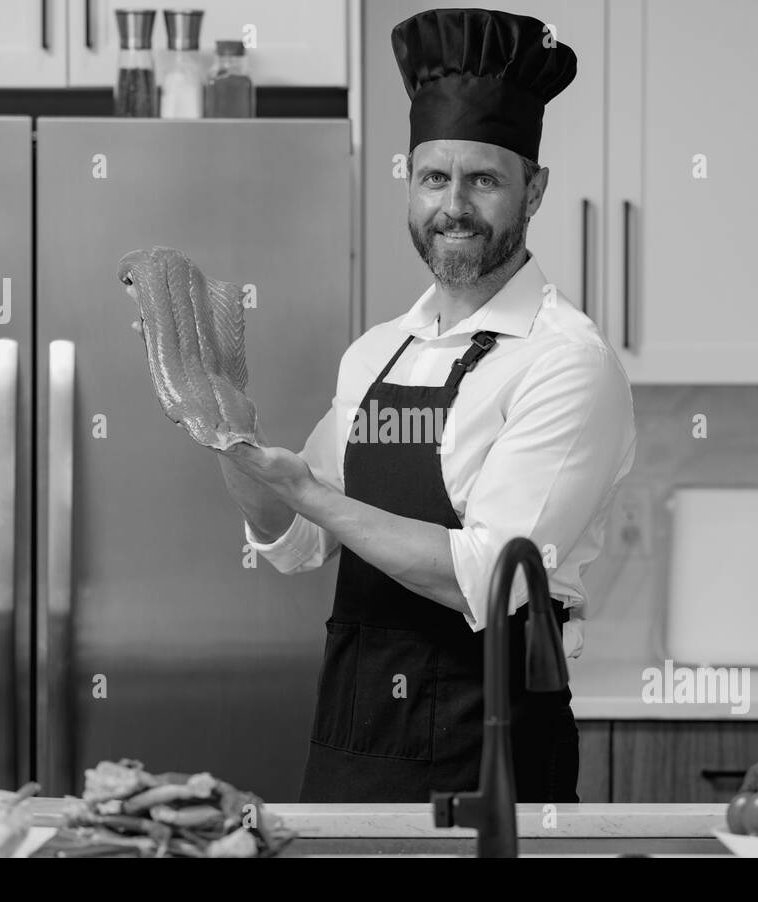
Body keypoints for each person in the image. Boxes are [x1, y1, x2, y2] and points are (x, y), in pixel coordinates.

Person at [217, 8, 636, 803]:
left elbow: (486, 580)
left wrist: (307, 488)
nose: (454, 205)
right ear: (410, 180)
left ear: (534, 189)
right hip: (352, 747)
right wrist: (223, 422)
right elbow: (297, 542)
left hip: (491, 761)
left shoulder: (566, 364)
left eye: (484, 179)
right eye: (435, 177)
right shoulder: (380, 352)